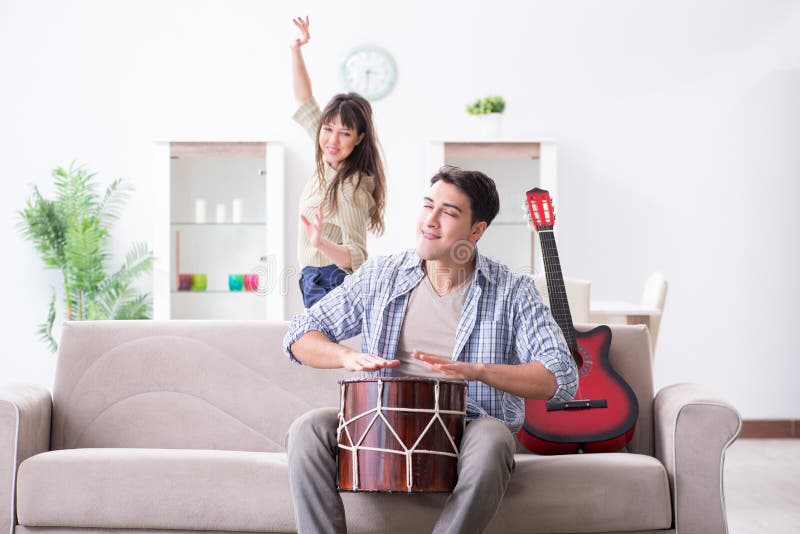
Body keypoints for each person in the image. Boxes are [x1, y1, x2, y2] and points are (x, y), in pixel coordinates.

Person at [282, 166, 579, 534]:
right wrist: (345, 356)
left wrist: (477, 371)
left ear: (476, 231)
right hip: (382, 419)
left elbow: (562, 375)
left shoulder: (512, 290)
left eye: (449, 213)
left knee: (494, 438)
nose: (431, 220)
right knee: (307, 429)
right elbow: (299, 333)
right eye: (427, 206)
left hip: (468, 425)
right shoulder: (380, 275)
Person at [290, 16, 387, 308]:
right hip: (313, 277)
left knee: (318, 352)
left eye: (344, 133)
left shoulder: (351, 187)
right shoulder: (327, 161)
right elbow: (305, 101)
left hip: (330, 280)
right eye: (328, 128)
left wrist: (320, 243)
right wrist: (296, 50)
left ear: (359, 138)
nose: (332, 140)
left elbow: (357, 256)